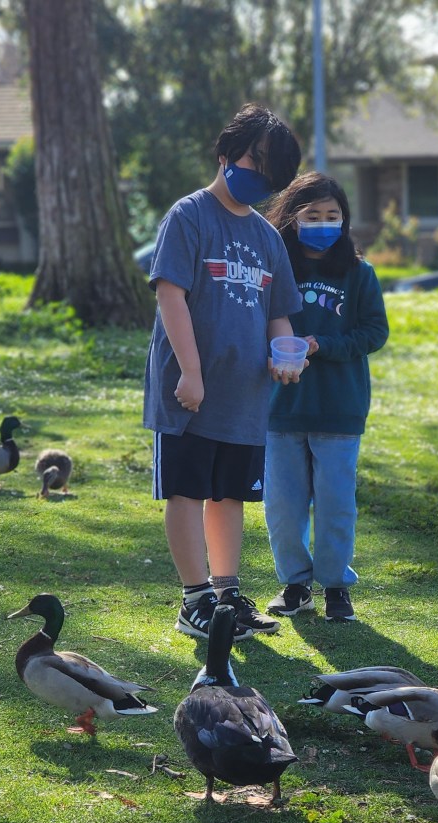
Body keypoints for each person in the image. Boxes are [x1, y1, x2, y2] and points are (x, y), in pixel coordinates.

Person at [143, 104, 304, 641]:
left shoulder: (267, 237)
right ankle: (195, 601)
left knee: (229, 495)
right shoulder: (188, 217)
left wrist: (287, 354)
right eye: (253, 164)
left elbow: (278, 311)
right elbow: (171, 296)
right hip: (190, 392)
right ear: (225, 153)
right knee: (187, 491)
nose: (258, 179)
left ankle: (226, 594)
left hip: (244, 396)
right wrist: (190, 372)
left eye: (270, 176)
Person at [263, 172, 389, 623]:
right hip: (280, 410)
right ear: (291, 219)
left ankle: (336, 586)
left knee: (336, 505)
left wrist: (324, 345)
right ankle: (295, 585)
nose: (323, 222)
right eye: (312, 215)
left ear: (344, 220)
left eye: (332, 215)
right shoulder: (275, 271)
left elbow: (375, 332)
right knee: (282, 505)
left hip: (340, 409)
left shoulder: (360, 273)